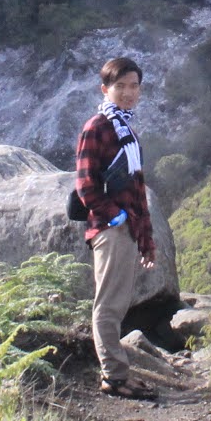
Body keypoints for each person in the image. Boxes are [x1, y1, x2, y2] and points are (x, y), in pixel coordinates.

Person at [75, 56, 157, 399]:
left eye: (133, 86)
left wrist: (145, 238)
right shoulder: (98, 127)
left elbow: (136, 190)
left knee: (118, 303)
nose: (128, 93)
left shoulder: (126, 130)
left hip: (125, 230)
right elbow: (85, 186)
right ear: (105, 89)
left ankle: (117, 373)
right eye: (120, 86)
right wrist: (116, 217)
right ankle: (114, 377)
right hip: (109, 230)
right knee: (108, 305)